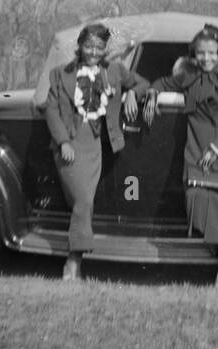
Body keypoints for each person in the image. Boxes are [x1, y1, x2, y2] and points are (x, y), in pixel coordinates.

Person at [143, 24, 218, 289]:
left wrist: (217, 147)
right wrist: (151, 94)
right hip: (197, 149)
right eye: (201, 53)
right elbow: (162, 82)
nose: (206, 58)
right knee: (199, 200)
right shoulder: (189, 76)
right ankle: (215, 250)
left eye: (212, 53)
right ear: (194, 54)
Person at [43, 23, 149, 279]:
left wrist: (133, 94)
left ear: (105, 50)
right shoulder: (61, 73)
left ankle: (75, 260)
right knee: (83, 201)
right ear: (80, 45)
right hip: (70, 142)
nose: (92, 51)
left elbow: (143, 83)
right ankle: (73, 261)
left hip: (95, 145)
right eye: (88, 46)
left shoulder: (114, 70)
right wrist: (63, 142)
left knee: (84, 202)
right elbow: (51, 109)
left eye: (99, 47)